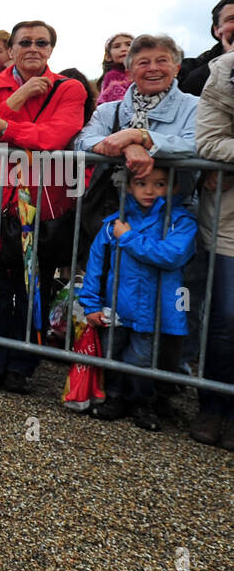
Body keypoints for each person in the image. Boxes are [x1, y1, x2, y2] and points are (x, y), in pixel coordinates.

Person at [0, 19, 87, 394]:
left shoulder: (69, 89)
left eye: (41, 42)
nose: (33, 47)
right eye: (25, 42)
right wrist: (17, 101)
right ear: (13, 49)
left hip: (41, 204)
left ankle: (22, 366)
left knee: (33, 288)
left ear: (51, 49)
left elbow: (54, 138)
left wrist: (5, 126)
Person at [79, 166, 197, 430]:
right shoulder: (115, 222)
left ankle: (142, 402)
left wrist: (129, 238)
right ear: (130, 186)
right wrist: (90, 303)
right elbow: (95, 265)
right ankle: (115, 398)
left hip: (154, 310)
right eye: (142, 184)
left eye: (160, 184)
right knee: (112, 353)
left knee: (142, 358)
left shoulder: (180, 222)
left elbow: (171, 255)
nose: (150, 191)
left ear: (174, 188)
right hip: (116, 307)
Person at [77, 35, 198, 183]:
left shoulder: (196, 106)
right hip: (113, 203)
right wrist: (128, 147)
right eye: (143, 63)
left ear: (176, 69)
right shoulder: (107, 111)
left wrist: (142, 136)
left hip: (176, 203)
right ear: (129, 74)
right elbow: (82, 141)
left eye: (162, 61)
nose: (153, 68)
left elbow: (196, 145)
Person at [193, 47, 234, 447]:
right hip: (229, 220)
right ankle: (215, 403)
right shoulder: (226, 69)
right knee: (226, 317)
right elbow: (208, 141)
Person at [179, 0, 234, 96]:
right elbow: (187, 89)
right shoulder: (190, 67)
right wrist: (226, 60)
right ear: (216, 30)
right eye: (232, 19)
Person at [97, 33, 133, 106]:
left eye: (129, 45)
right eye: (117, 46)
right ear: (108, 56)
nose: (124, 49)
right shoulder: (112, 76)